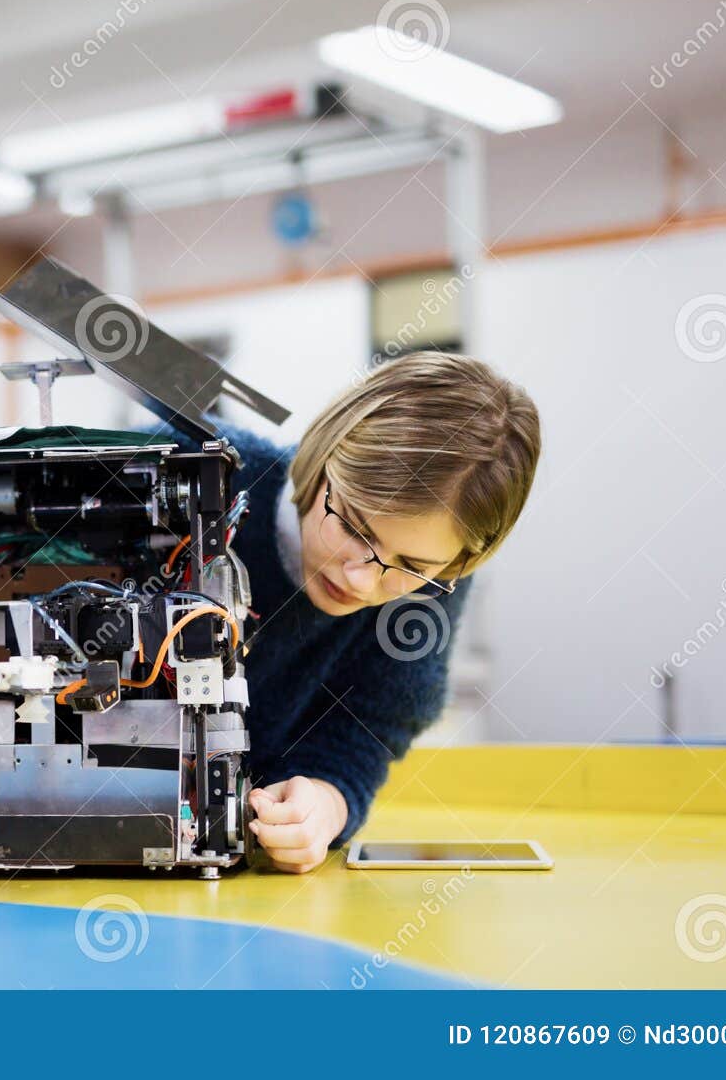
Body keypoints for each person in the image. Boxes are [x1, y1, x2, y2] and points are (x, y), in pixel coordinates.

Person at [222, 351, 541, 872]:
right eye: (352, 527)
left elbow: (367, 729)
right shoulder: (195, 474)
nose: (361, 579)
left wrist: (323, 804)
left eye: (411, 566)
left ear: (459, 562)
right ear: (324, 454)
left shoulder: (436, 582)